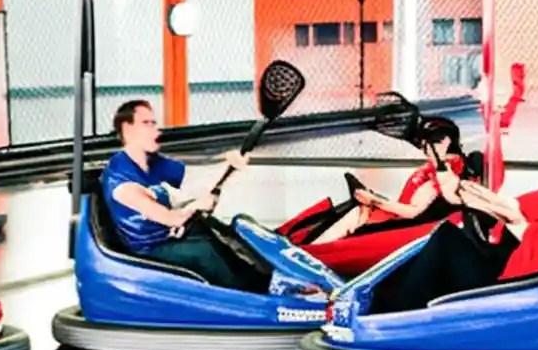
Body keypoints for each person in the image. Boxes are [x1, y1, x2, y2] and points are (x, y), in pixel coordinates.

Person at [370, 134, 538, 313]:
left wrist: (459, 188)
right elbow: (522, 225)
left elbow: (503, 207)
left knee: (446, 238)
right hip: (535, 284)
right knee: (468, 246)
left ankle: (389, 314)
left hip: (509, 291)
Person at [101, 99, 268, 292]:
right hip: (148, 250)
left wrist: (229, 163)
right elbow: (170, 218)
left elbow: (196, 177)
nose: (156, 130)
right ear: (127, 130)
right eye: (147, 123)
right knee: (203, 252)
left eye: (154, 123)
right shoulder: (121, 179)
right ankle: (250, 298)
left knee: (219, 233)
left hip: (168, 235)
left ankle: (262, 281)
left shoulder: (153, 162)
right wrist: (195, 206)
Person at [285, 117, 471, 246]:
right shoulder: (441, 167)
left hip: (407, 227)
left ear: (445, 141)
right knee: (353, 208)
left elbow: (413, 212)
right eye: (422, 144)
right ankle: (300, 241)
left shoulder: (447, 170)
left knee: (358, 212)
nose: (423, 149)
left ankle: (310, 252)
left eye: (428, 144)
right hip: (406, 220)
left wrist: (375, 201)